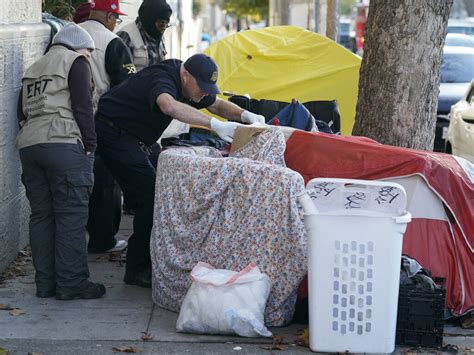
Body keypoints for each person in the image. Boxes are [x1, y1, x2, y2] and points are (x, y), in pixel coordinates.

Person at [95, 53, 266, 288]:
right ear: (185, 75)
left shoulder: (192, 85)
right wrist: (212, 125)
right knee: (150, 197)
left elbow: (216, 103)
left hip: (139, 138)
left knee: (167, 187)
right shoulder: (163, 78)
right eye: (202, 87)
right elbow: (168, 105)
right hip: (114, 133)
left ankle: (158, 257)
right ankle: (137, 269)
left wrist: (246, 116)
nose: (205, 92)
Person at [16, 23, 106, 300]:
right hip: (64, 143)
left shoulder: (35, 66)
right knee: (71, 216)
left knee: (41, 215)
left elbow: (21, 111)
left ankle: (45, 284)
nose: (89, 56)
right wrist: (90, 144)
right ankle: (72, 283)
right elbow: (81, 105)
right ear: (79, 45)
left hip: (30, 146)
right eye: (89, 51)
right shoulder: (75, 61)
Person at [79, 0, 137, 254]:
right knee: (104, 182)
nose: (116, 24)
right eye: (116, 18)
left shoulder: (66, 34)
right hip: (100, 122)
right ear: (108, 16)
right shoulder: (113, 42)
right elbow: (127, 89)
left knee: (74, 184)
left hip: (66, 123)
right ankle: (102, 239)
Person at [117, 0, 172, 71]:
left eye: (166, 24)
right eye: (161, 23)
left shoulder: (158, 35)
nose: (163, 28)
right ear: (149, 19)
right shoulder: (126, 36)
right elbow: (121, 74)